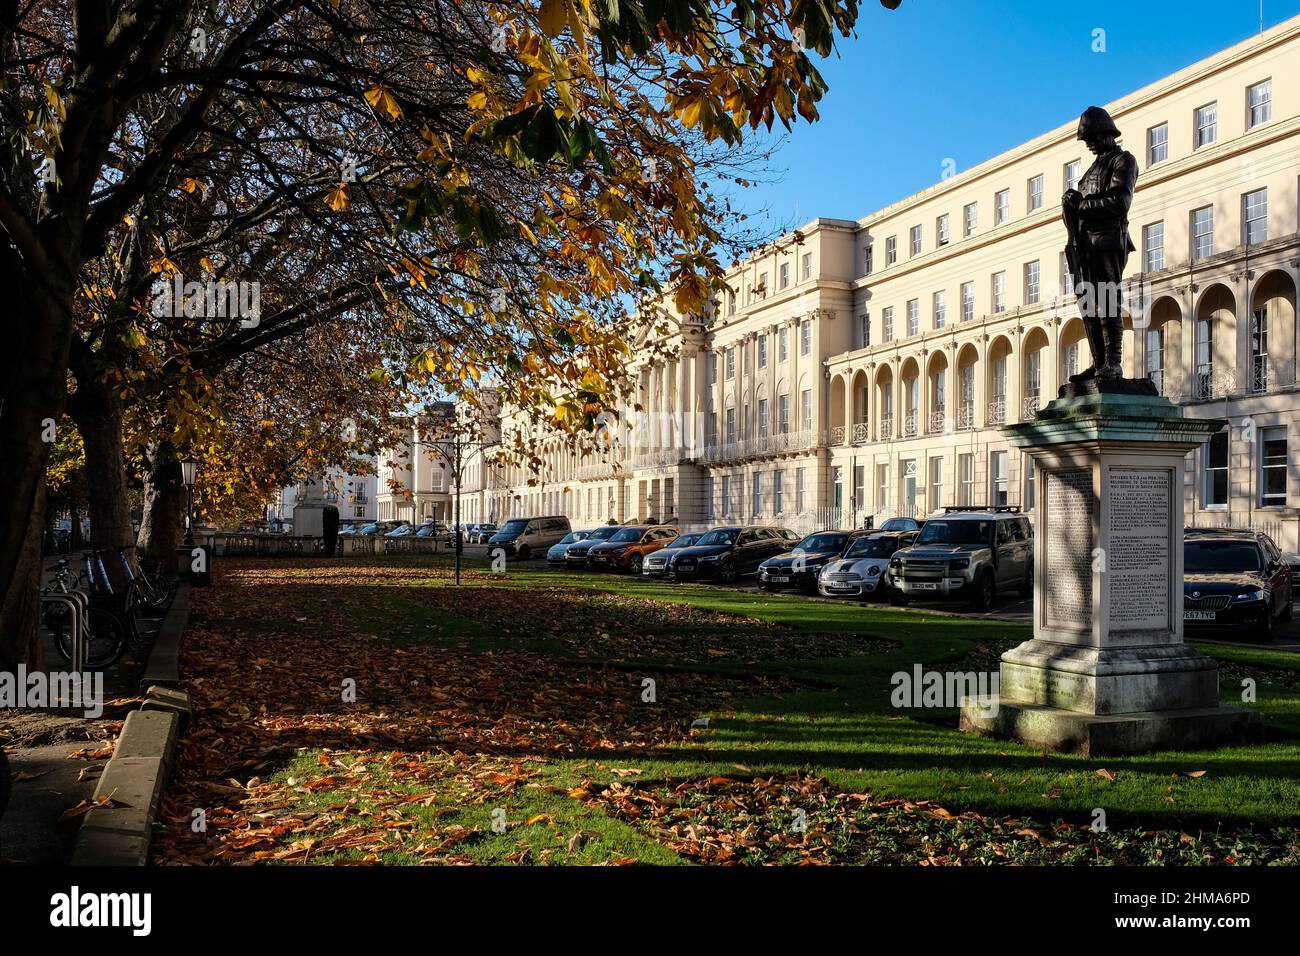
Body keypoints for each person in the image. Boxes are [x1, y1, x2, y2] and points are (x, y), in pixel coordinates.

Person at [1062, 105, 1138, 382]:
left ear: (1106, 133)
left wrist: (1081, 204)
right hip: (1085, 246)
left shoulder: (1123, 161)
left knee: (1107, 301)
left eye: (1092, 138)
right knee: (1088, 305)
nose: (1090, 145)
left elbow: (1120, 201)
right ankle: (1098, 364)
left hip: (1108, 242)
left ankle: (1113, 363)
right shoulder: (1092, 169)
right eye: (1087, 140)